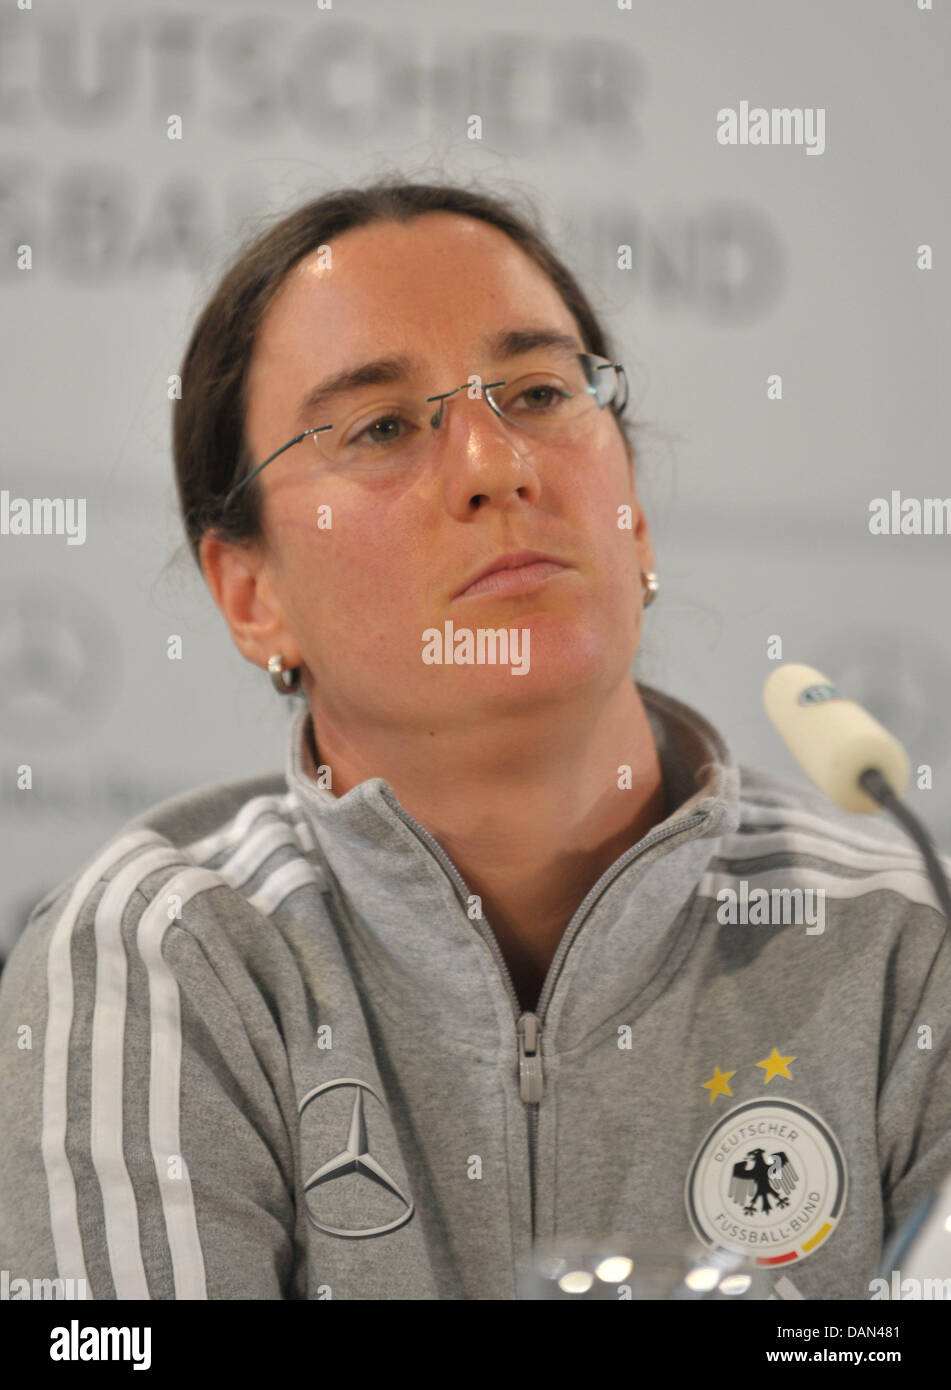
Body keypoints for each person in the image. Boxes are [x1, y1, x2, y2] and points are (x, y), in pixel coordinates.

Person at [1, 178, 949, 1302]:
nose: (500, 467)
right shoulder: (160, 959)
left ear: (633, 511)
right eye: (384, 426)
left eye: (541, 392)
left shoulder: (902, 946)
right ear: (252, 593)